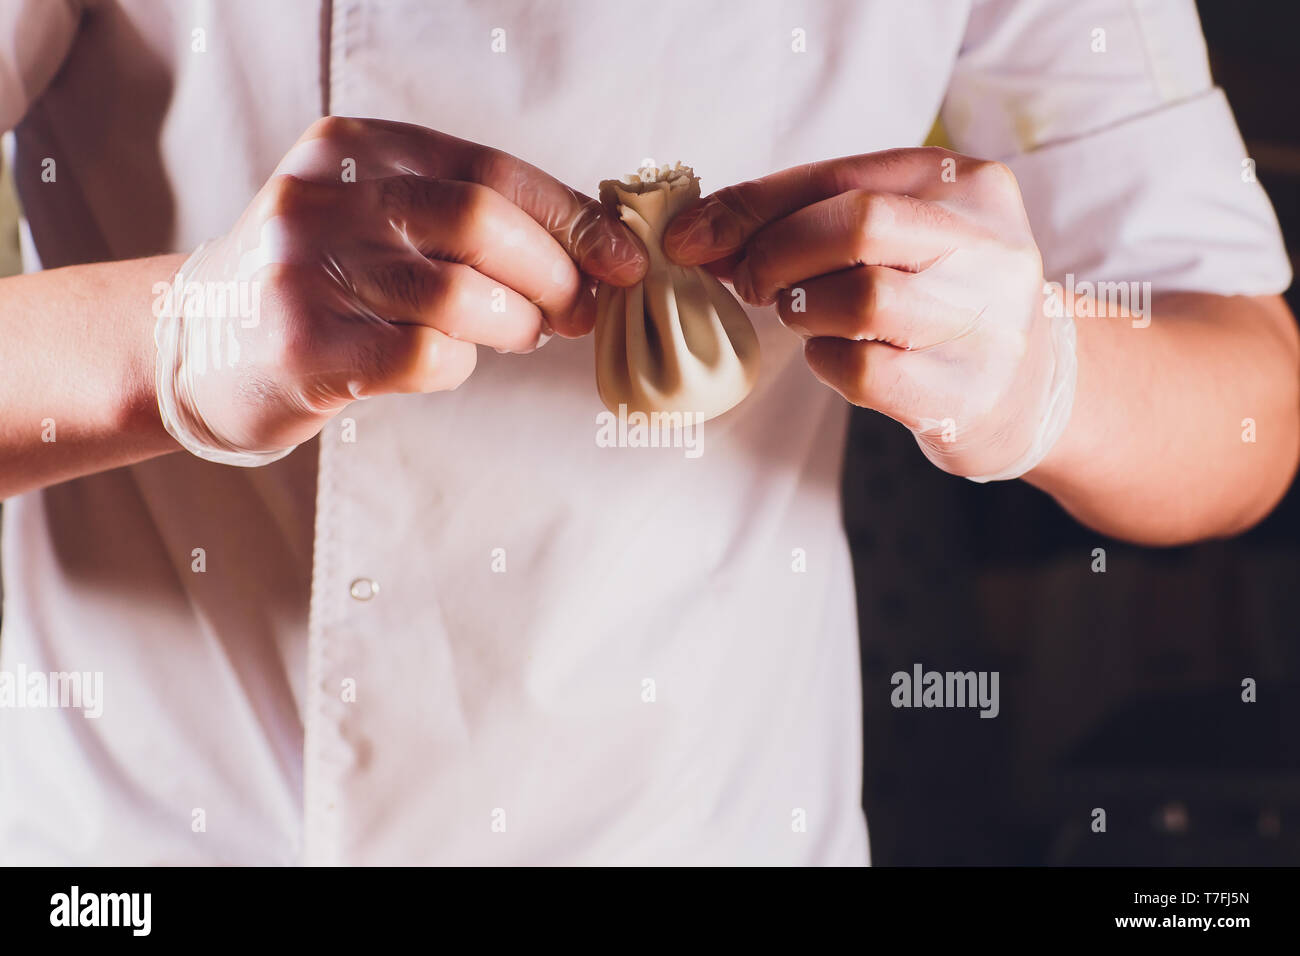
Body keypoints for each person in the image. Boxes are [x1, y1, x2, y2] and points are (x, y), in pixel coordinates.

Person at [0, 0, 1294, 865]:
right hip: (156, 831)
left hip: (703, 822)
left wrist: (1044, 372)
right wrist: (173, 336)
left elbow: (1249, 405)